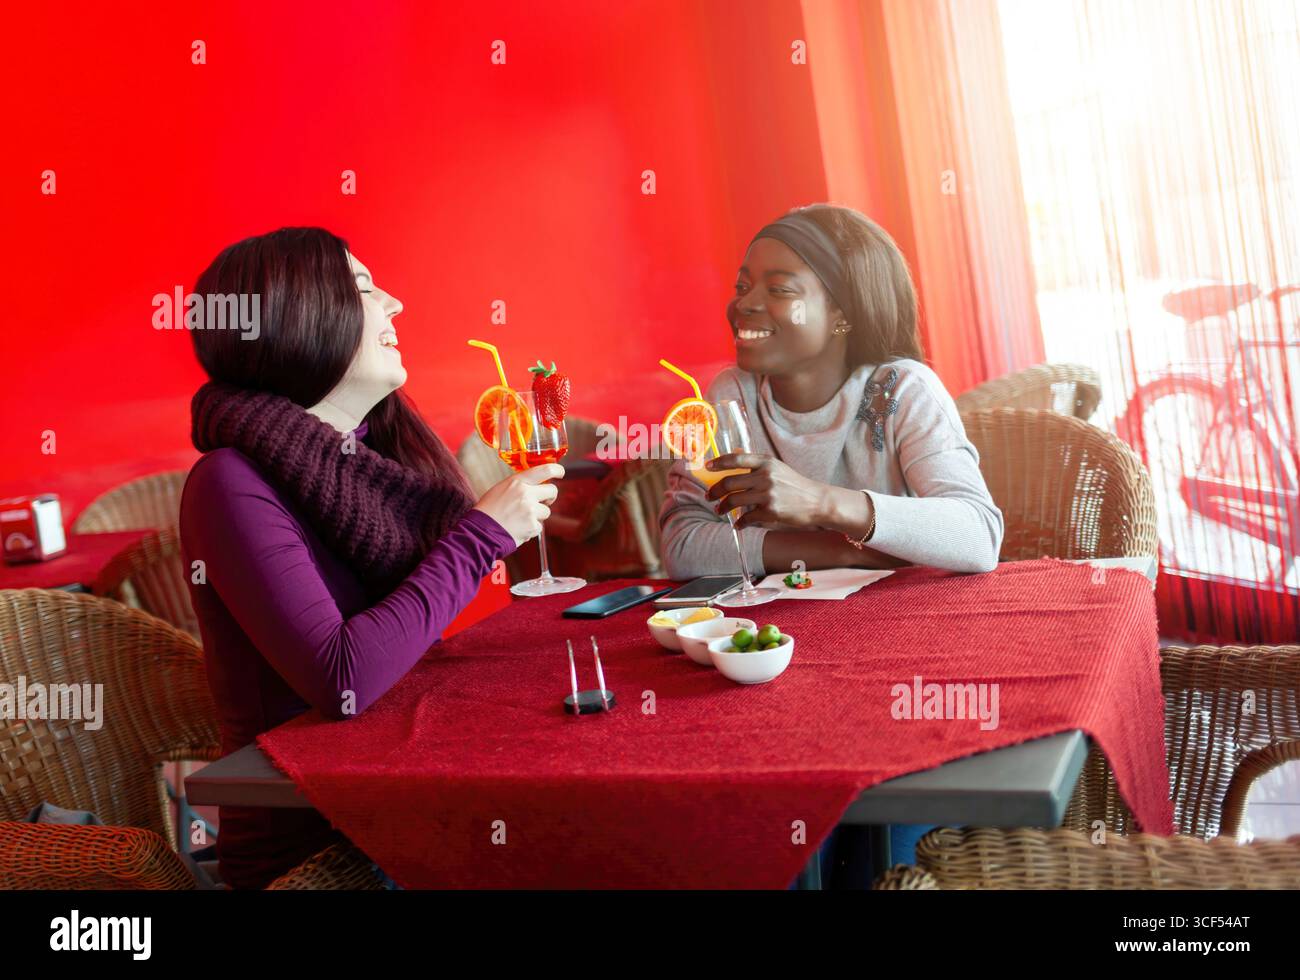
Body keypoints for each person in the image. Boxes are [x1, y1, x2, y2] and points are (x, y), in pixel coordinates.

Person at [179, 227, 559, 889]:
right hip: (322, 854)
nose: (395, 304)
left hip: (419, 793)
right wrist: (481, 536)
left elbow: (448, 640)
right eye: (362, 288)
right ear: (297, 319)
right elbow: (343, 678)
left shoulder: (378, 456)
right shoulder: (229, 483)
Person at [658, 204, 1006, 882]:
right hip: (769, 688)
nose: (745, 304)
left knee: (878, 863)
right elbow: (683, 542)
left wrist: (823, 503)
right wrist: (845, 548)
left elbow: (978, 534)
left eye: (779, 286)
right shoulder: (728, 396)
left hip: (900, 683)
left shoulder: (901, 390)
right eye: (742, 285)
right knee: (768, 848)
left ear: (842, 312)